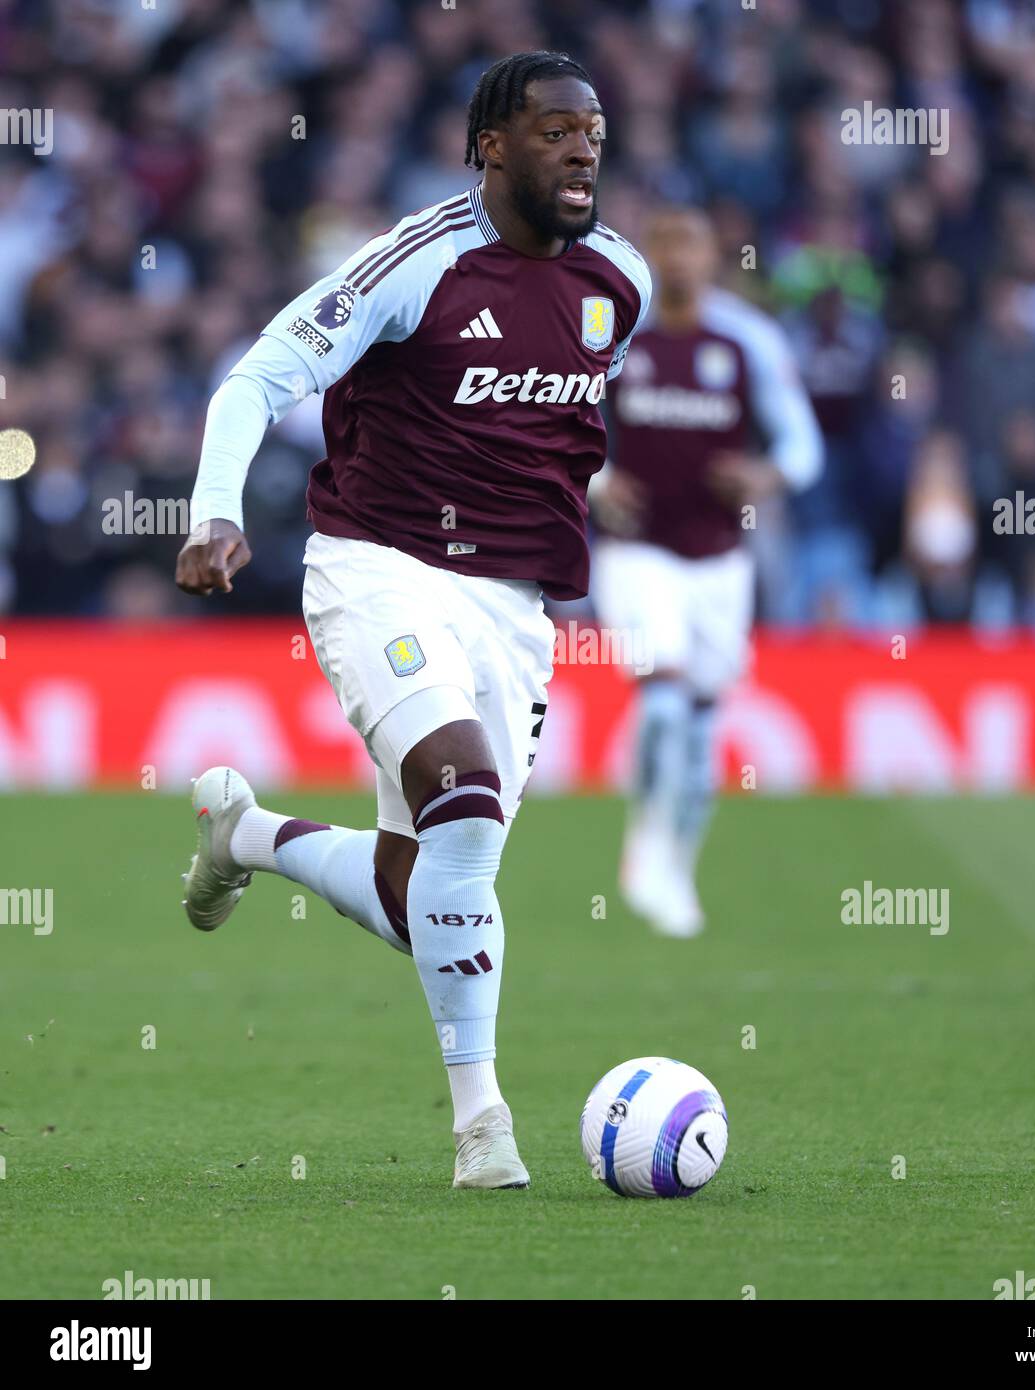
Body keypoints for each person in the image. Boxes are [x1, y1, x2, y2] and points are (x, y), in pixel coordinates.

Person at [173, 52, 651, 1190]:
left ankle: (249, 837)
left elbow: (559, 429)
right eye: (553, 131)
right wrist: (212, 514)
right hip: (379, 570)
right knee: (465, 795)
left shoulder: (620, 282)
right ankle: (483, 1125)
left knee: (427, 889)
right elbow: (254, 381)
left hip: (514, 610)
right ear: (491, 145)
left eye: (593, 131)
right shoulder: (417, 262)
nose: (582, 149)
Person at [589, 205, 821, 937]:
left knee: (699, 732)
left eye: (691, 245)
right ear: (649, 253)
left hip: (721, 562)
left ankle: (674, 865)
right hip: (637, 552)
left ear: (715, 257)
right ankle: (644, 846)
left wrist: (763, 476)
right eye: (664, 244)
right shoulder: (615, 338)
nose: (678, 258)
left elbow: (802, 448)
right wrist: (596, 482)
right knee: (661, 704)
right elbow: (558, 425)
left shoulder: (748, 342)